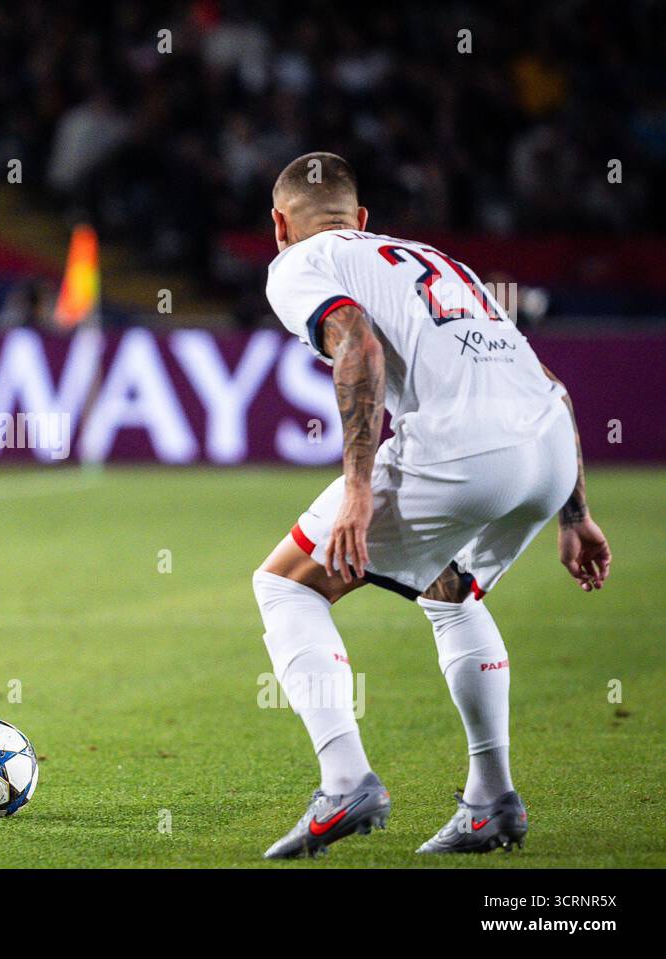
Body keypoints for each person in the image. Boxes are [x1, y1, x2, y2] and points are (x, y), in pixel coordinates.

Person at [254, 152, 611, 858]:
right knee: (451, 592)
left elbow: (356, 343)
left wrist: (359, 487)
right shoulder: (437, 261)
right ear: (361, 218)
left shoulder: (297, 263)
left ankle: (345, 780)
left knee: (286, 585)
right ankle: (492, 801)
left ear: (279, 224)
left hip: (463, 450)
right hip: (547, 448)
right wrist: (575, 514)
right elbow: (548, 379)